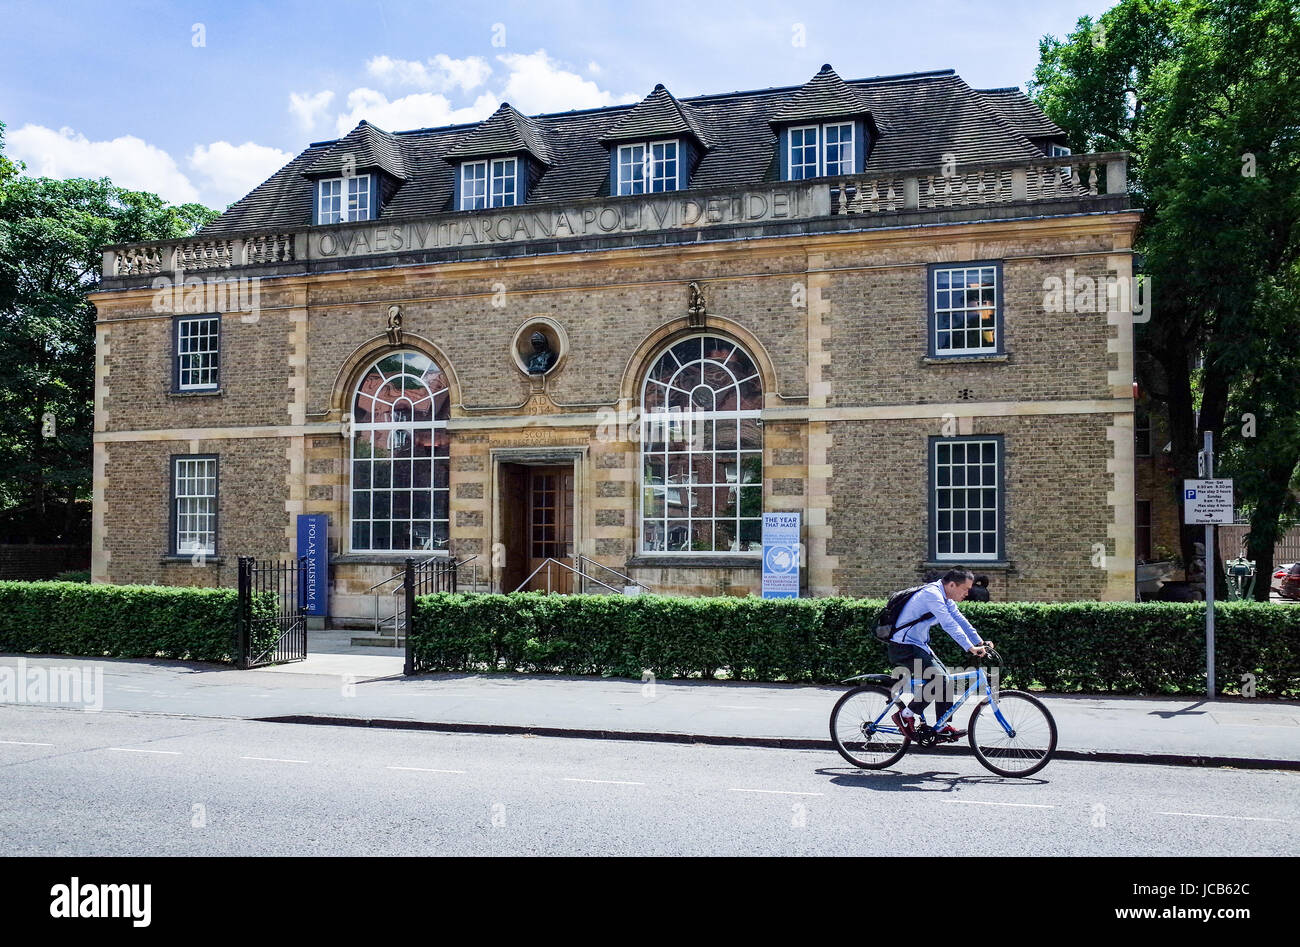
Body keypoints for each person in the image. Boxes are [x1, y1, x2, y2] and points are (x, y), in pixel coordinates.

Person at [887, 568, 993, 741]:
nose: (968, 593)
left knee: (946, 679)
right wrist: (969, 647)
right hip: (903, 647)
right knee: (939, 679)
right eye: (965, 589)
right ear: (952, 585)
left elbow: (959, 619)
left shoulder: (945, 597)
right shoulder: (932, 594)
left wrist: (980, 642)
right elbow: (948, 623)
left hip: (918, 645)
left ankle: (942, 726)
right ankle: (905, 715)